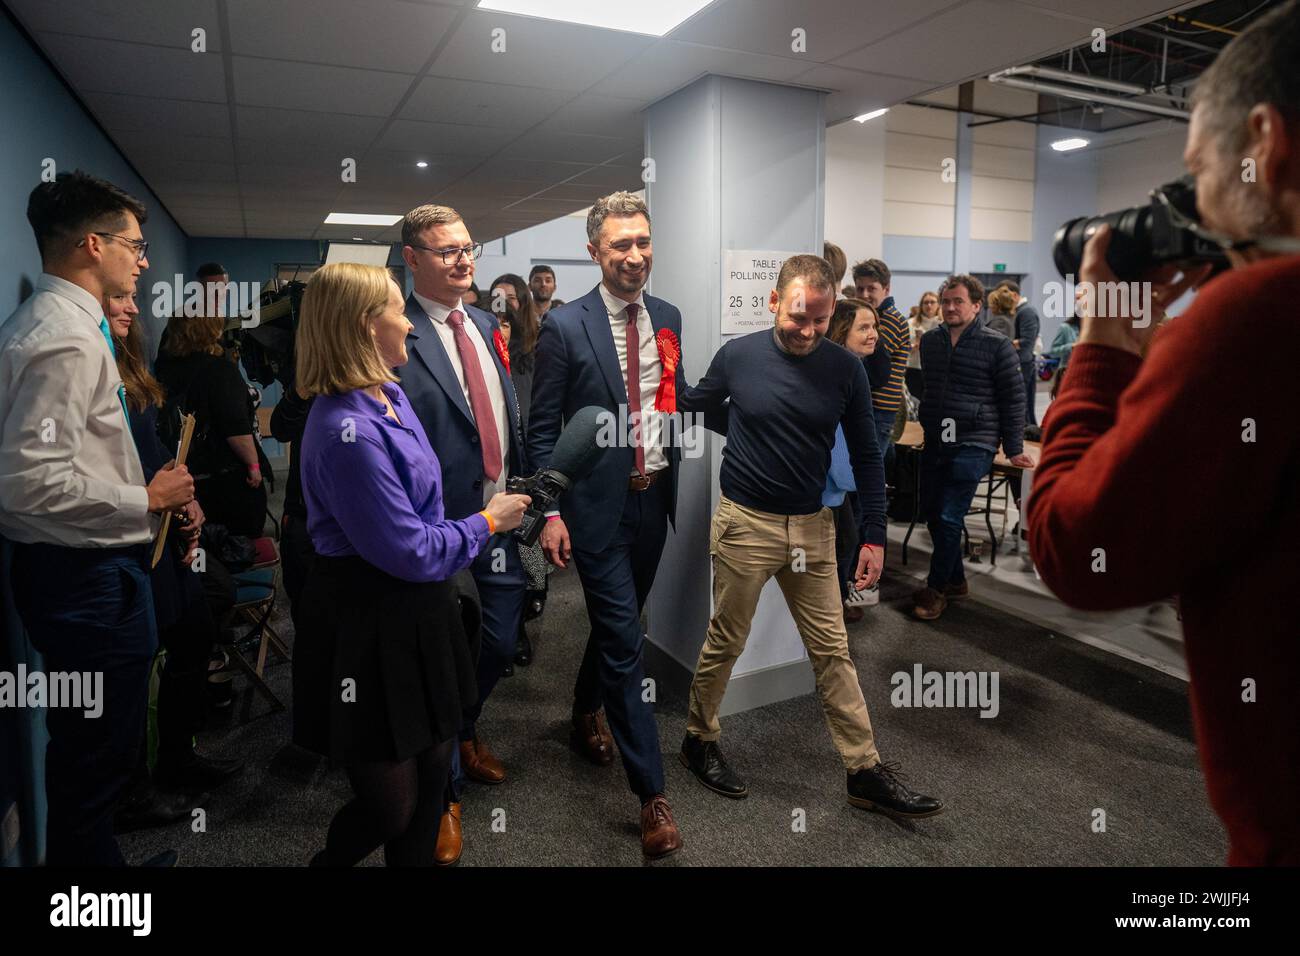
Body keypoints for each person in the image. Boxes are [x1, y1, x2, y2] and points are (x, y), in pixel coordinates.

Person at [1028, 0, 1300, 865]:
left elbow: (1078, 548)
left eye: (1197, 172)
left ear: (1265, 143)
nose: (1200, 206)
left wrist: (1104, 343)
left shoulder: (1259, 317)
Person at [676, 255, 942, 820]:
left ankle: (863, 770)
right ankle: (698, 738)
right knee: (727, 638)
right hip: (747, 523)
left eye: (821, 320)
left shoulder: (844, 369)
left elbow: (867, 454)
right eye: (799, 317)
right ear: (774, 301)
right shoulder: (739, 356)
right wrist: (682, 381)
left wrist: (874, 535)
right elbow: (696, 404)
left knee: (833, 651)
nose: (808, 331)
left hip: (813, 528)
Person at [293, 262, 529, 867]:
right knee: (389, 809)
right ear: (364, 326)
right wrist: (487, 523)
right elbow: (410, 549)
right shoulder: (345, 430)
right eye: (399, 312)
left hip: (422, 609)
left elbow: (425, 513)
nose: (410, 325)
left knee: (430, 789)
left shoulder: (390, 394)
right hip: (369, 623)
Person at [0, 170, 194, 867]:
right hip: (85, 579)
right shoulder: (66, 338)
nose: (142, 261)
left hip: (86, 575)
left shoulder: (70, 327)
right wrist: (147, 499)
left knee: (98, 753)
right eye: (134, 246)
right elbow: (27, 486)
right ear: (92, 244)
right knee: (95, 759)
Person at [528, 190, 689, 859]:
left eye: (643, 241)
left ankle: (582, 710)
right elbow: (543, 429)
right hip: (596, 509)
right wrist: (550, 510)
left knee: (616, 625)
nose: (635, 255)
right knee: (627, 638)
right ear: (594, 251)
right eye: (621, 244)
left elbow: (671, 401)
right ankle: (651, 793)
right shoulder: (566, 326)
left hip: (654, 502)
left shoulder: (669, 317)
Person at [396, 205, 527, 866]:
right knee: (442, 658)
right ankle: (443, 792)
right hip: (437, 525)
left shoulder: (484, 324)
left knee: (499, 641)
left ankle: (464, 729)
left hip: (497, 516)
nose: (462, 260)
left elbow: (505, 411)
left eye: (467, 248)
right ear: (412, 258)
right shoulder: (396, 330)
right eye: (446, 250)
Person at [105, 293, 244, 803]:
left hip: (165, 526)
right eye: (115, 299)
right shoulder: (89, 369)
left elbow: (157, 449)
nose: (129, 307)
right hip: (134, 535)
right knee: (144, 659)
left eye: (129, 299)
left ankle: (178, 759)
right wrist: (156, 495)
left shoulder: (131, 370)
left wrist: (187, 498)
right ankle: (136, 787)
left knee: (196, 631)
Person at [912, 275, 1032, 621]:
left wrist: (1013, 447)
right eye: (945, 301)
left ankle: (935, 589)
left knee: (950, 515)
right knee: (934, 515)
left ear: (977, 306)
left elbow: (1014, 399)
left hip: (976, 439)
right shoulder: (931, 342)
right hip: (938, 438)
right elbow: (929, 387)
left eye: (958, 301)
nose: (950, 307)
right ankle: (956, 581)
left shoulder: (997, 345)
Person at [155, 312, 270, 537]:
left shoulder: (165, 370)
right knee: (238, 543)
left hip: (187, 477)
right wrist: (254, 466)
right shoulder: (219, 370)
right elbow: (235, 426)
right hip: (226, 480)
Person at [825, 297, 881, 622]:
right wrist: (857, 478)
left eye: (874, 326)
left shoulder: (852, 368)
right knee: (841, 546)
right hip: (827, 490)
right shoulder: (841, 372)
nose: (873, 334)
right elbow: (840, 448)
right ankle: (833, 614)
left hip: (834, 489)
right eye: (863, 327)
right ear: (842, 330)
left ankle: (836, 608)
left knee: (845, 543)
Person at [852, 258, 909, 472]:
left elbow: (867, 356)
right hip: (868, 407)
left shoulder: (891, 319)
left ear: (886, 289)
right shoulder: (873, 317)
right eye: (860, 288)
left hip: (880, 410)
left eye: (871, 288)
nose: (864, 294)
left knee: (867, 471)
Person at [1000, 280, 1041, 427]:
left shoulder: (1026, 311)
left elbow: (1027, 341)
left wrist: (1002, 345)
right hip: (1021, 363)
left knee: (1023, 407)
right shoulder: (1019, 311)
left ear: (1015, 295)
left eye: (1005, 294)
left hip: (1023, 364)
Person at [906, 291, 941, 401]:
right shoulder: (910, 323)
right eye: (926, 302)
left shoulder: (943, 324)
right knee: (914, 402)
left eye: (932, 302)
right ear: (921, 305)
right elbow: (902, 347)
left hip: (935, 370)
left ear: (938, 304)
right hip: (914, 368)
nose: (929, 305)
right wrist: (912, 346)